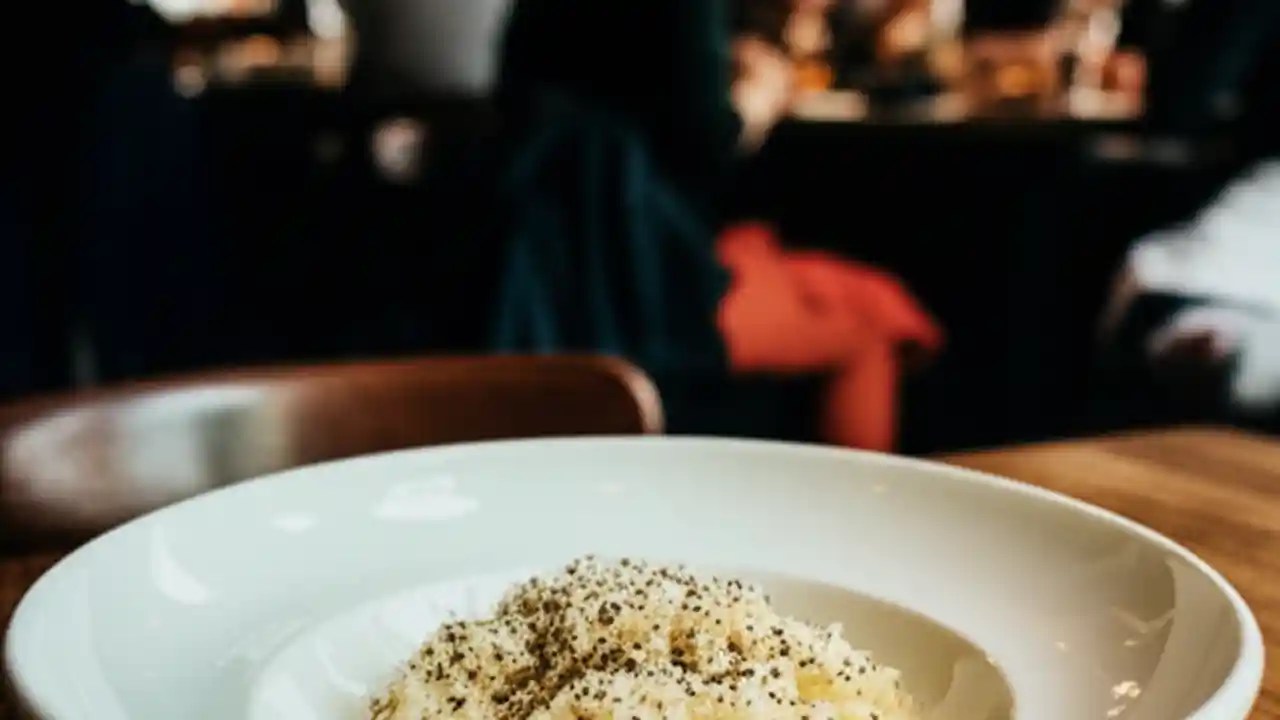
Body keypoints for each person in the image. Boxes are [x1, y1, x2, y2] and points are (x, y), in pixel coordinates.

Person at [488, 0, 941, 450]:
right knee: (874, 325)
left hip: (536, 267)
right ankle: (856, 512)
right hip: (636, 275)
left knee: (853, 296)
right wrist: (755, 99)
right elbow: (707, 141)